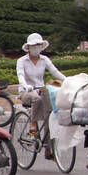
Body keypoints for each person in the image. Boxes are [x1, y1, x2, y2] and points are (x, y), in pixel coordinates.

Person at [16, 32, 66, 160]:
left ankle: (49, 149)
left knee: (50, 114)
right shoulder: (22, 61)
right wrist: (25, 84)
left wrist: (67, 80)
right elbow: (20, 74)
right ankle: (33, 123)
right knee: (36, 99)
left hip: (41, 89)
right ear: (28, 47)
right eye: (34, 45)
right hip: (26, 91)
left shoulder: (44, 60)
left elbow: (55, 72)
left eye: (38, 45)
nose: (36, 47)